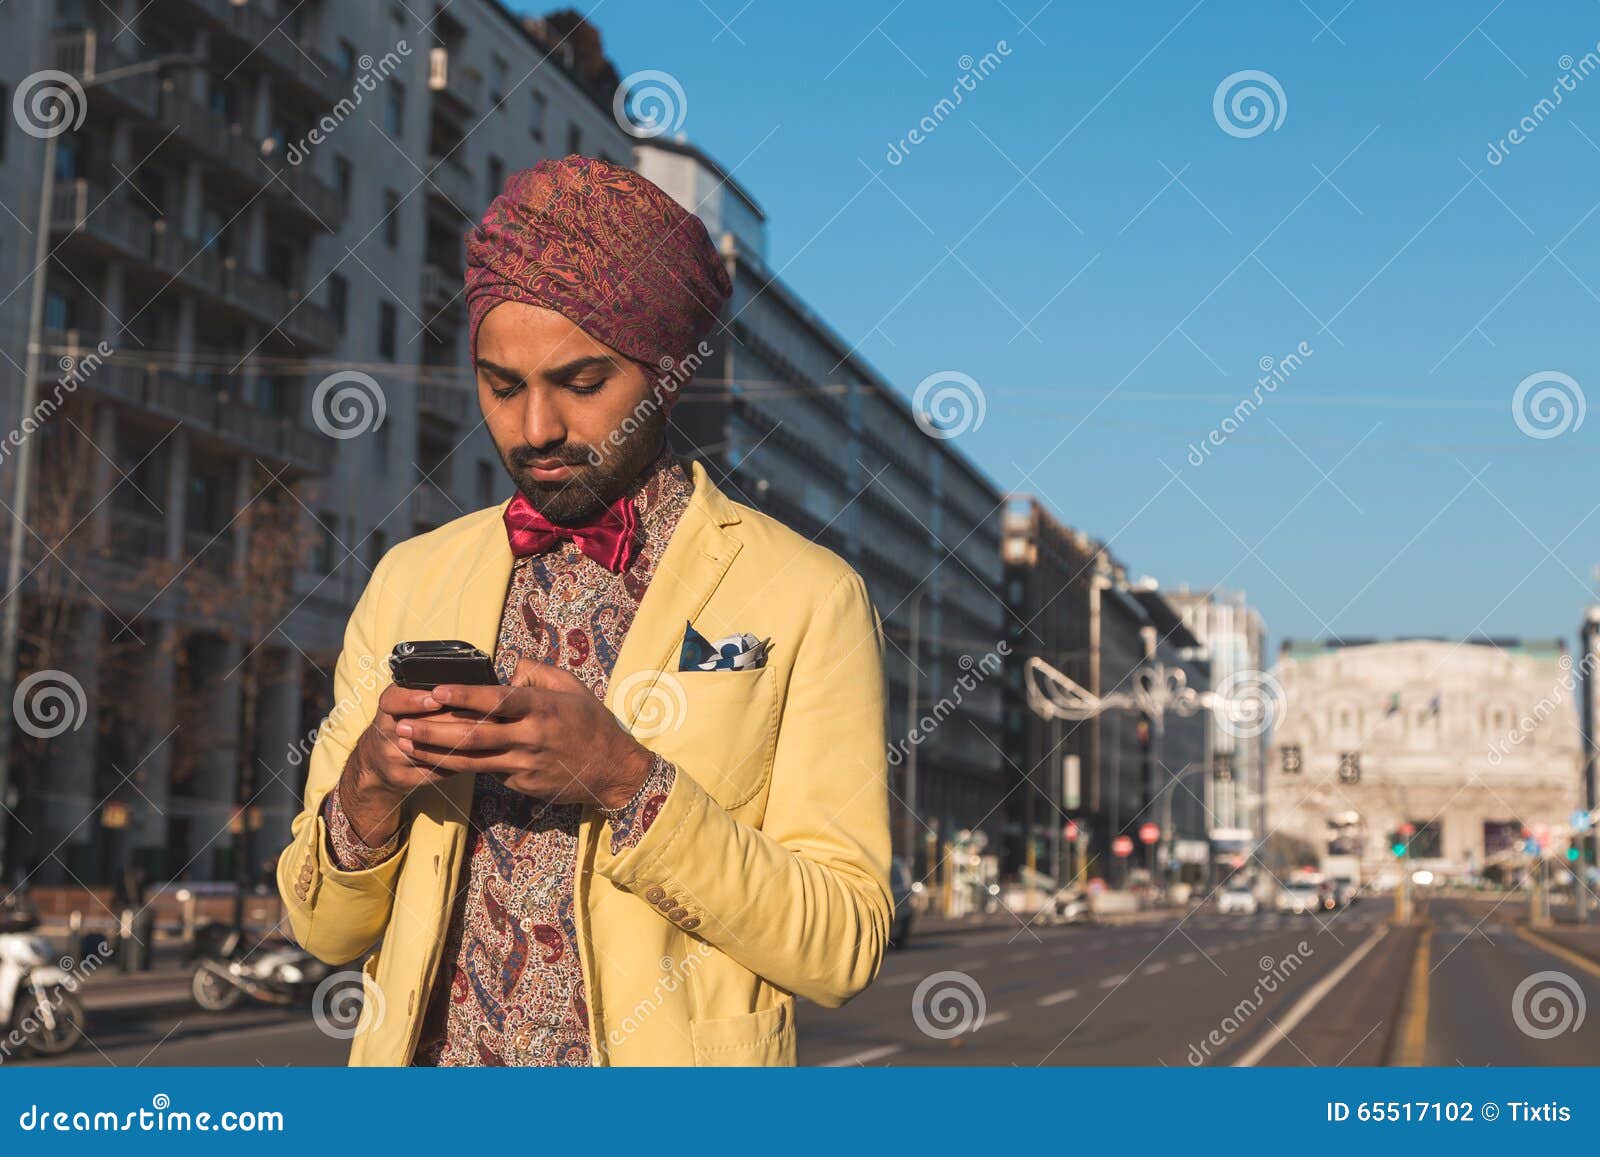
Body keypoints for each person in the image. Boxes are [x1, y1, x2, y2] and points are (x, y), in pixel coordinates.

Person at [277, 155, 892, 1067]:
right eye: (501, 385)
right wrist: (368, 786)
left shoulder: (807, 594)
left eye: (581, 382)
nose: (535, 429)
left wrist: (626, 781)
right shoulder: (410, 578)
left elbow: (843, 945)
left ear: (667, 374)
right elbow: (322, 931)